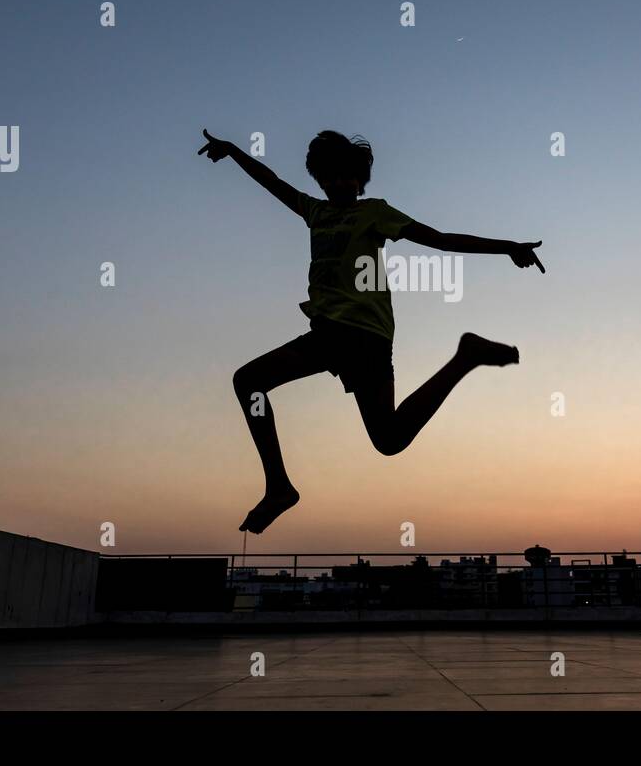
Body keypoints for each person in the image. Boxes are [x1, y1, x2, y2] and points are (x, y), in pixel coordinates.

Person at [198, 129, 545, 533]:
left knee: (378, 435)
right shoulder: (315, 211)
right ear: (320, 180)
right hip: (329, 333)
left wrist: (507, 247)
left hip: (362, 335)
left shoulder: (374, 212)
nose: (338, 184)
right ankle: (279, 486)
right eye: (329, 177)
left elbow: (440, 239)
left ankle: (464, 359)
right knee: (262, 386)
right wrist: (233, 150)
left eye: (347, 176)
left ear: (361, 181)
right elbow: (271, 181)